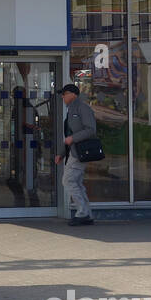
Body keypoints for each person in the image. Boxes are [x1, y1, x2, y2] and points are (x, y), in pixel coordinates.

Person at [55, 82, 96, 226]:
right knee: (76, 182)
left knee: (68, 180)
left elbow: (91, 129)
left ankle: (83, 213)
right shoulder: (71, 109)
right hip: (74, 152)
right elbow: (68, 135)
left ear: (73, 94)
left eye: (65, 94)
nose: (63, 97)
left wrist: (73, 139)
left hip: (80, 151)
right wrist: (61, 153)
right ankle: (87, 213)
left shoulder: (82, 108)